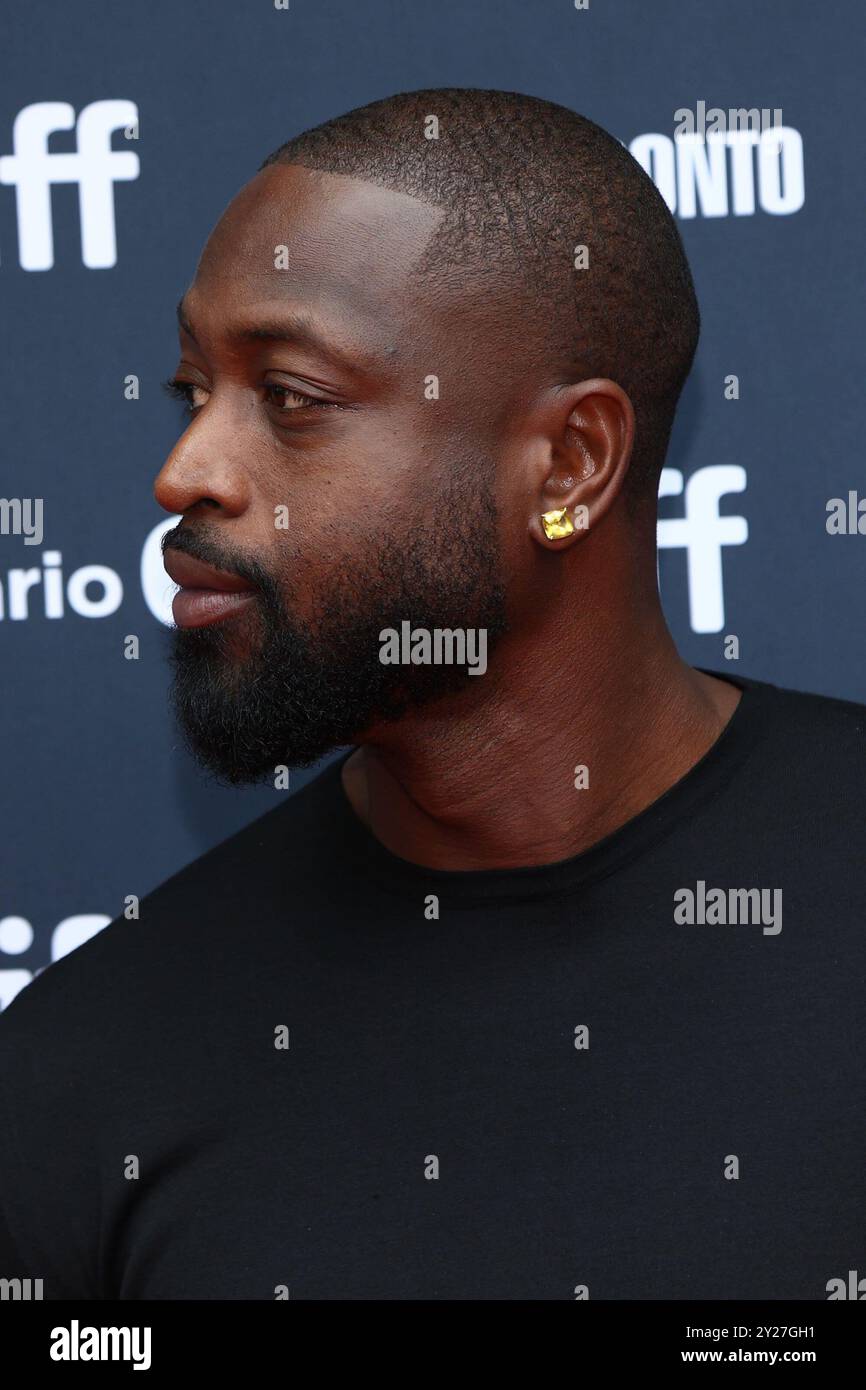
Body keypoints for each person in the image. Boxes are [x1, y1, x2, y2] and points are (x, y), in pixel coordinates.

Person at [0, 88, 863, 1300]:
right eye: (193, 390)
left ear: (567, 466)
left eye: (291, 397)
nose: (183, 471)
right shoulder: (79, 1074)